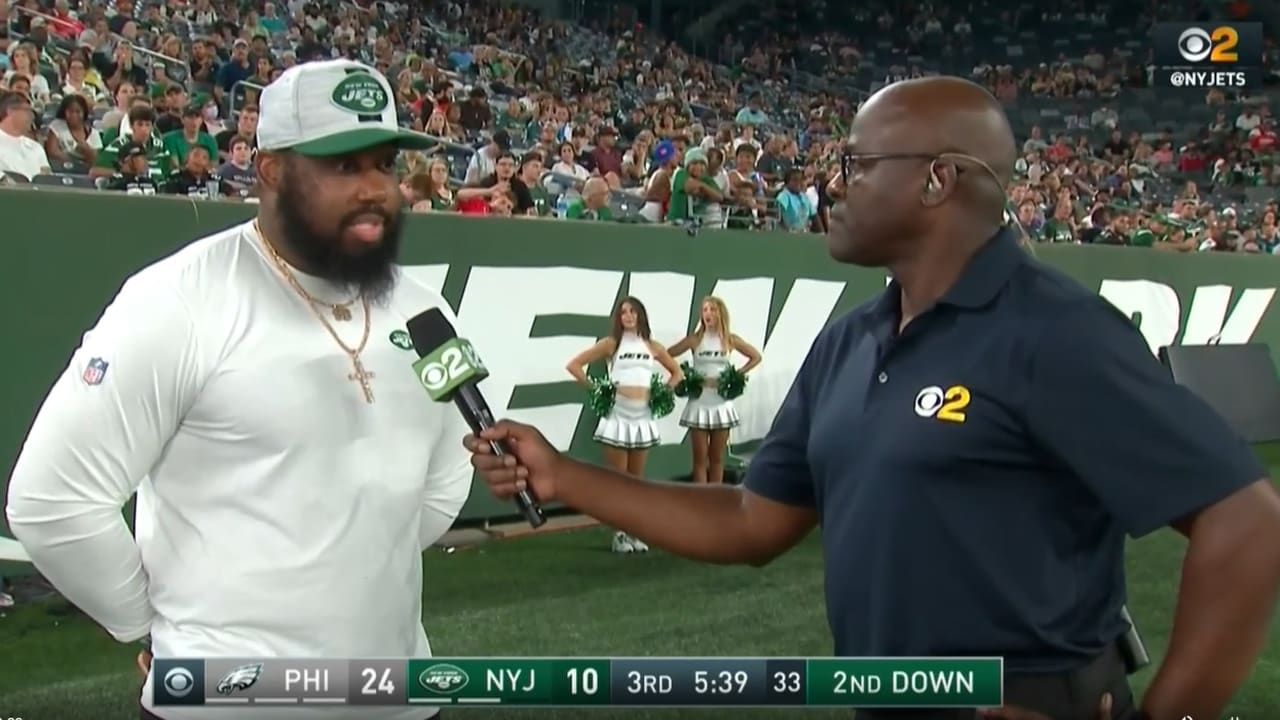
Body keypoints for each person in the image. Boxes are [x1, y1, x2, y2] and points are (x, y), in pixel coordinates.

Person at [466, 76, 1280, 720]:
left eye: (855, 165)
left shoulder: (1055, 332)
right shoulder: (850, 340)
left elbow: (1245, 521)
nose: (832, 185)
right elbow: (756, 521)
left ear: (937, 180)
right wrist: (568, 478)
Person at [6, 59, 472, 720]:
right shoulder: (180, 300)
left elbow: (449, 470)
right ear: (272, 171)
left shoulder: (424, 310)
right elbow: (51, 500)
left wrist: (356, 562)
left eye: (385, 165)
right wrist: (158, 625)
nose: (374, 189)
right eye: (343, 166)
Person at [565, 296, 682, 554]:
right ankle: (619, 534)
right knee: (619, 481)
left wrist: (661, 393)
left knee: (637, 482)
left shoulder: (652, 346)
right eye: (623, 313)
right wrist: (597, 390)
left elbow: (678, 373)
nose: (627, 316)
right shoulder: (611, 344)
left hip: (642, 418)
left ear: (641, 314)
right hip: (618, 416)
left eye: (632, 311)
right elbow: (574, 365)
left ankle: (635, 532)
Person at [666, 297, 762, 484]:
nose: (708, 313)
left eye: (712, 309)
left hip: (721, 404)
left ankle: (716, 497)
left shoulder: (729, 339)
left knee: (717, 458)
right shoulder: (695, 340)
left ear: (720, 313)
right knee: (700, 458)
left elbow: (755, 356)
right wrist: (684, 375)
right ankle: (701, 498)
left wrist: (736, 375)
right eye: (704, 310)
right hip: (700, 402)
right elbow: (668, 354)